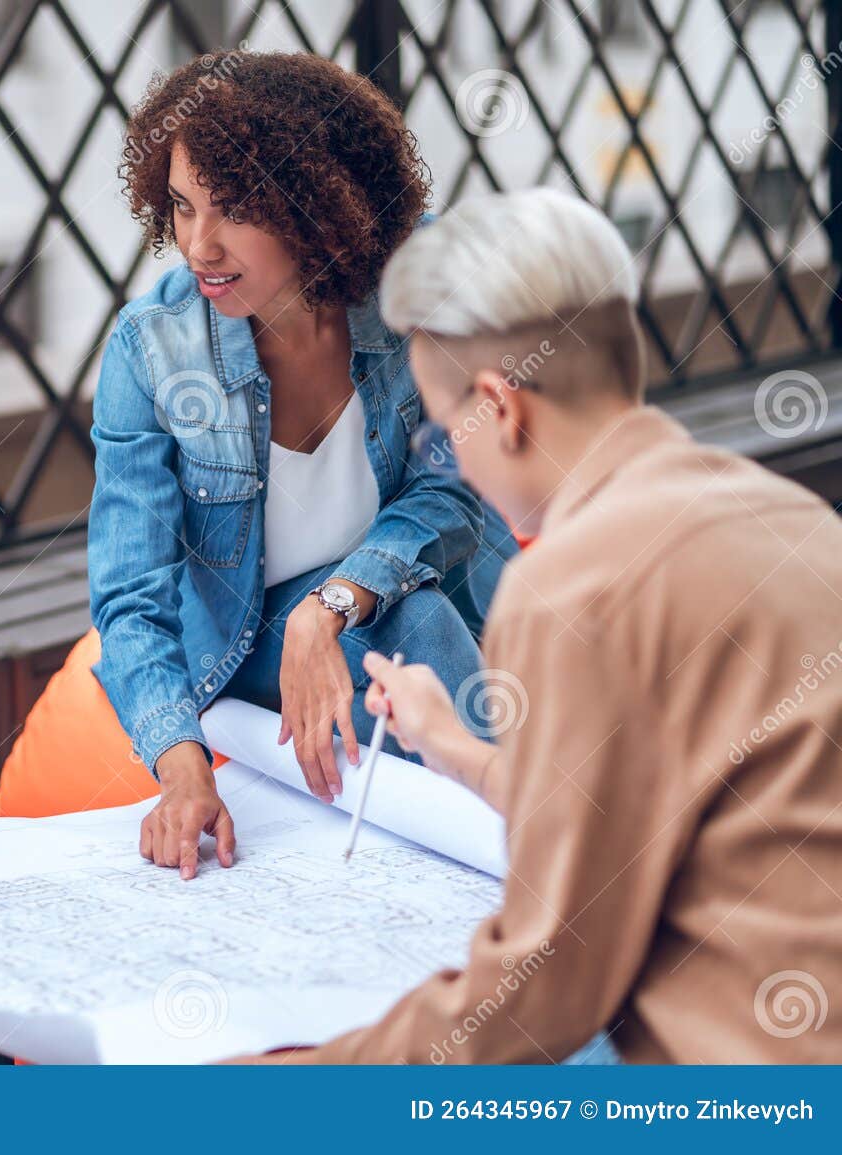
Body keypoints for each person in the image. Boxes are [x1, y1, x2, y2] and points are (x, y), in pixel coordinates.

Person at [241, 188, 842, 1063]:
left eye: (446, 433)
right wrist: (456, 748)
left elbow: (543, 988)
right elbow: (639, 810)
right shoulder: (794, 521)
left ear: (502, 407)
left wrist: (299, 1079)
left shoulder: (570, 586)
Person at [0, 51, 517, 873]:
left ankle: (516, 859)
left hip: (411, 594)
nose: (198, 245)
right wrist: (182, 770)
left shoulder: (409, 292)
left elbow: (453, 490)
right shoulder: (151, 349)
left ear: (316, 207)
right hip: (247, 642)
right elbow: (130, 596)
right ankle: (525, 859)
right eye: (181, 206)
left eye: (234, 209)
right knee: (415, 631)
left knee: (421, 620)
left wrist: (330, 605)